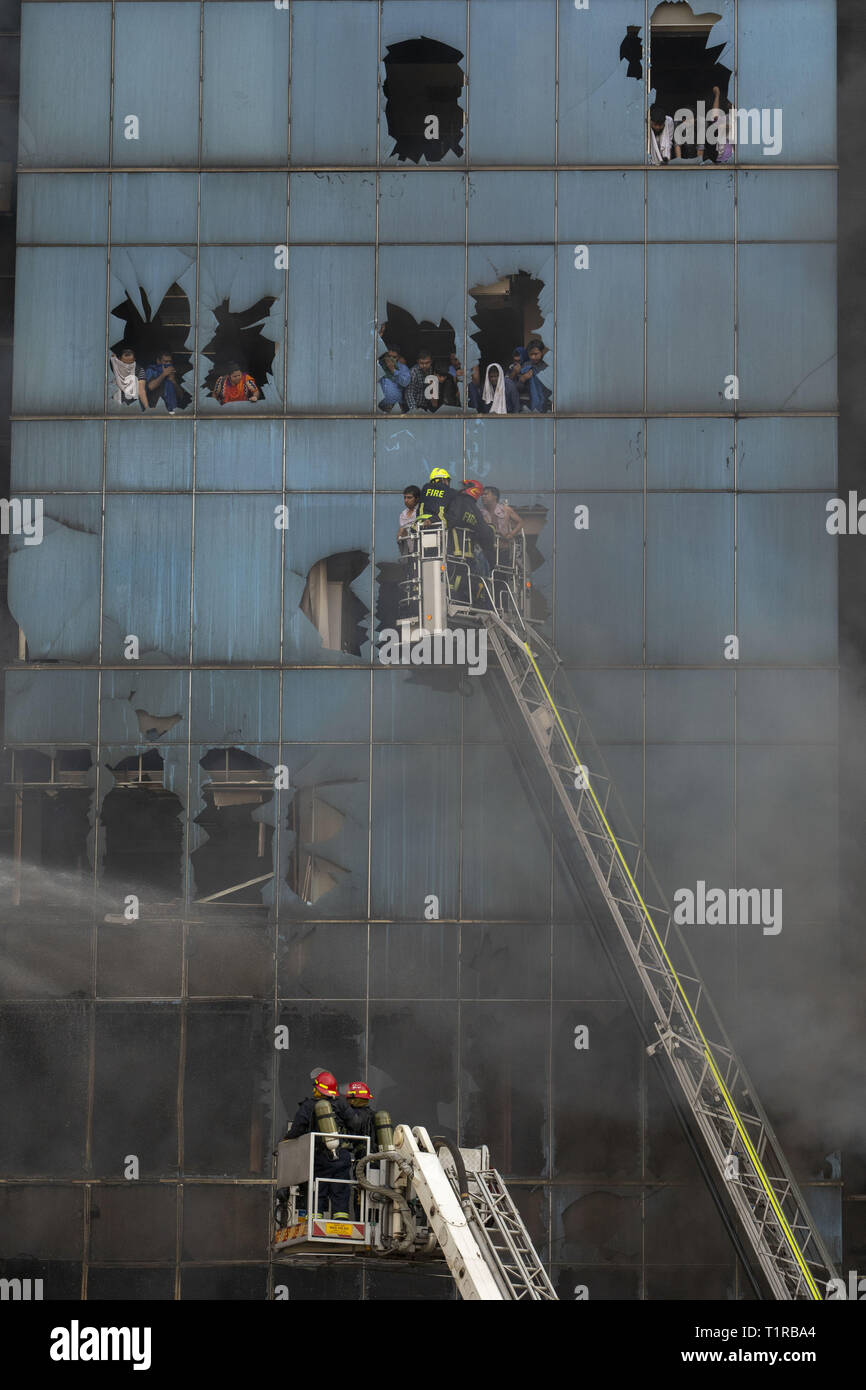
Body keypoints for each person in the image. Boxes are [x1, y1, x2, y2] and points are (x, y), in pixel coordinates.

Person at [283, 1069, 359, 1218]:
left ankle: (314, 1218)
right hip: (341, 1154)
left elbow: (297, 1128)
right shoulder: (342, 1104)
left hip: (318, 1156)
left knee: (317, 1189)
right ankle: (340, 1221)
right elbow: (355, 1124)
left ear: (318, 1089)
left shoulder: (308, 1106)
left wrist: (286, 1140)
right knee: (340, 1189)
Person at [445, 478, 496, 603]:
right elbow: (485, 531)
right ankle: (474, 595)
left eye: (466, 486)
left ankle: (452, 598)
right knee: (464, 576)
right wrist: (492, 530)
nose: (462, 488)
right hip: (465, 554)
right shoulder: (473, 509)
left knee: (454, 577)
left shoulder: (457, 502)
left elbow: (452, 519)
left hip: (452, 551)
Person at [514, 341, 551, 412]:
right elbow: (518, 388)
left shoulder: (547, 367)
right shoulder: (525, 366)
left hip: (546, 405)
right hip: (529, 407)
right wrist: (523, 379)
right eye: (531, 354)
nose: (533, 357)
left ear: (542, 352)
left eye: (536, 354)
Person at [378, 347, 410, 412]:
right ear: (385, 356)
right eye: (389, 356)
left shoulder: (402, 368)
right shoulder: (379, 366)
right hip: (378, 406)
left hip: (396, 406)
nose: (391, 359)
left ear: (398, 358)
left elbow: (405, 383)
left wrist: (393, 370)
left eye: (394, 357)